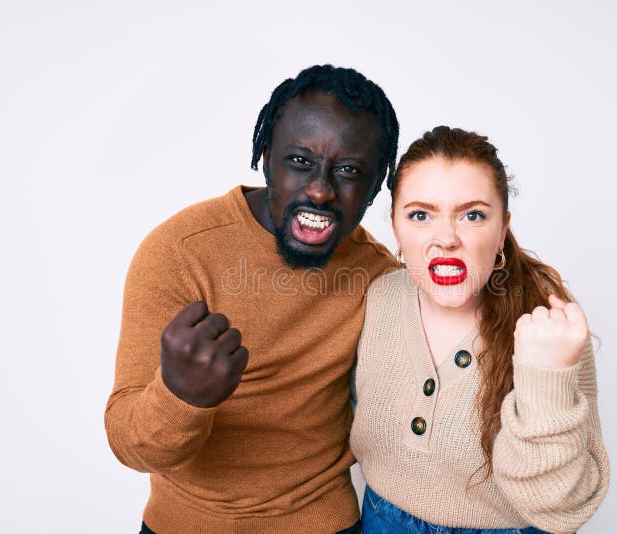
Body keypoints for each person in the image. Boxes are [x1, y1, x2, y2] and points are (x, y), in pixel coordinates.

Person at [104, 64, 399, 534]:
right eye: (300, 161)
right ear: (266, 157)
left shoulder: (382, 277)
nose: (320, 189)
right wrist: (181, 397)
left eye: (347, 170)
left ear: (379, 181)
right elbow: (129, 446)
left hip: (323, 524)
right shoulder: (181, 252)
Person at [350, 126, 610, 533]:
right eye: (420, 215)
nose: (446, 239)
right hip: (381, 520)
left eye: (472, 215)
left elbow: (562, 507)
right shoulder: (379, 298)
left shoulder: (546, 322)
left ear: (502, 229)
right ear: (396, 227)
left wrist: (547, 377)